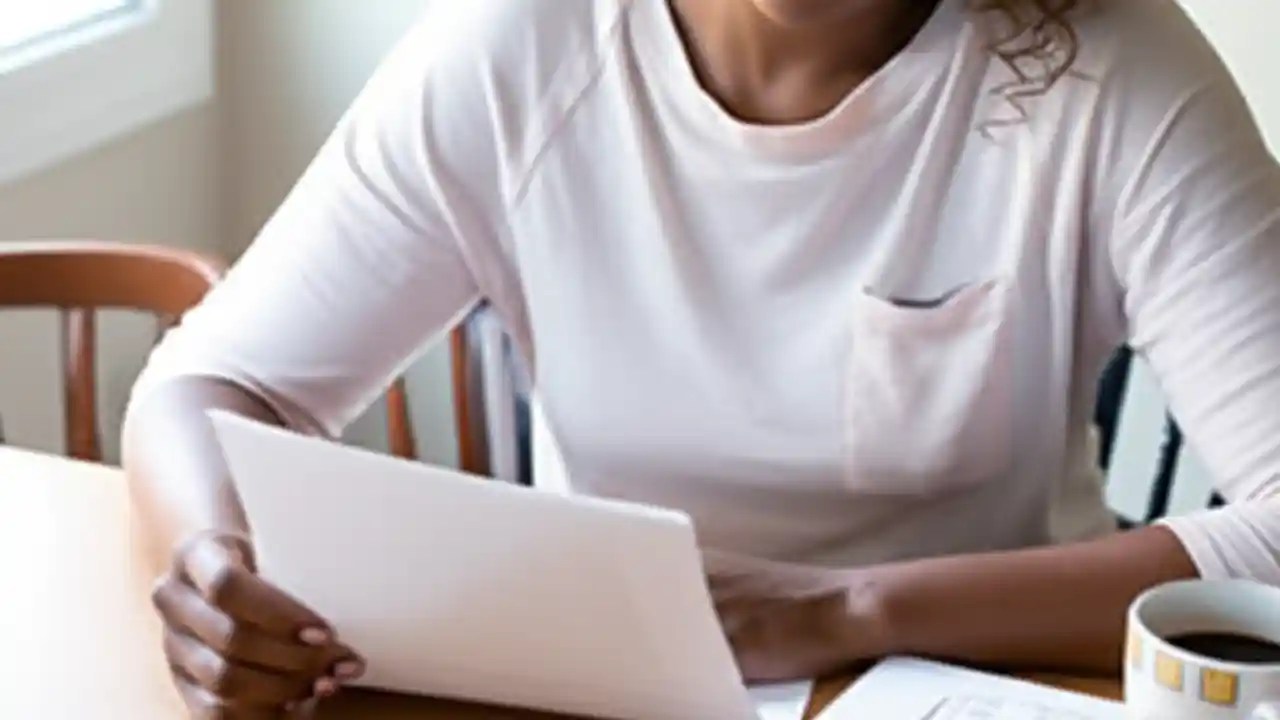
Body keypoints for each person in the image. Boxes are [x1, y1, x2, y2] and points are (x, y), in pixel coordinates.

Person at [125, 0, 1280, 716]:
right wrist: (216, 560)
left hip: (994, 686)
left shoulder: (1110, 70)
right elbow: (211, 384)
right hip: (591, 687)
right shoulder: (519, 49)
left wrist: (840, 612)